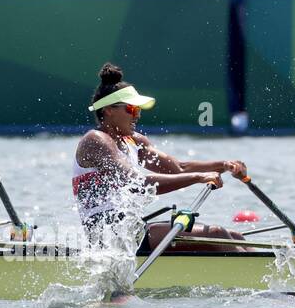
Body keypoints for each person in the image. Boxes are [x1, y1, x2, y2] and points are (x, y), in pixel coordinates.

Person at [73, 63, 249, 255]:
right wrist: (199, 178)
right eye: (132, 109)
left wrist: (225, 165)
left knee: (235, 236)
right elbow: (136, 183)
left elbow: (179, 167)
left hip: (131, 228)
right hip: (107, 235)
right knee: (216, 234)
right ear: (108, 110)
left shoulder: (134, 141)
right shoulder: (96, 140)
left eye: (139, 109)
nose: (138, 115)